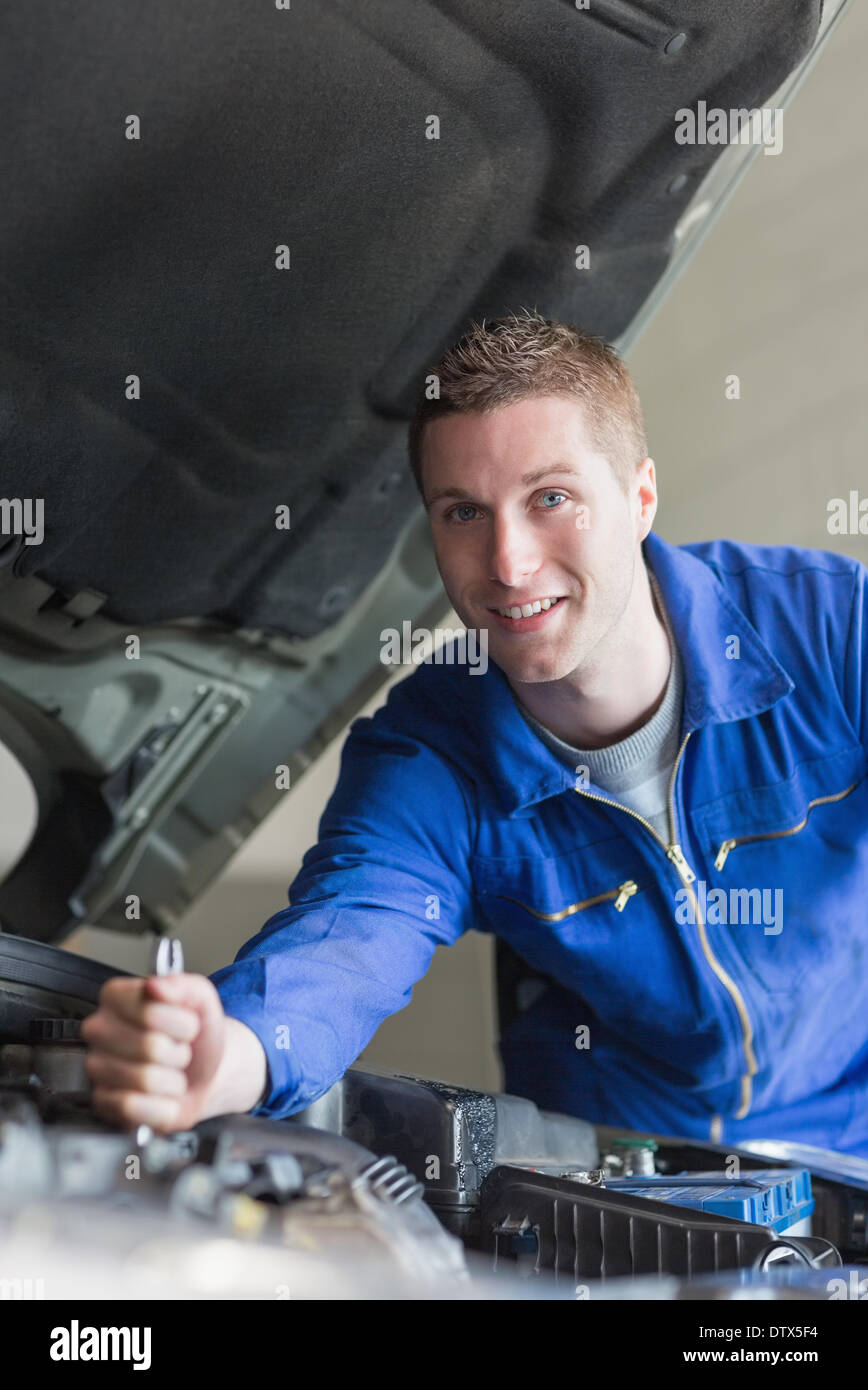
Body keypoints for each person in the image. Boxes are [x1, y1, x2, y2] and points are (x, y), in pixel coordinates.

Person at [82, 310, 868, 1156]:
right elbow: (346, 943)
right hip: (630, 1168)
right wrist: (227, 1053)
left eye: (551, 498)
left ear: (640, 497)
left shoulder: (830, 627)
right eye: (463, 513)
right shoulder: (432, 755)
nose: (508, 563)